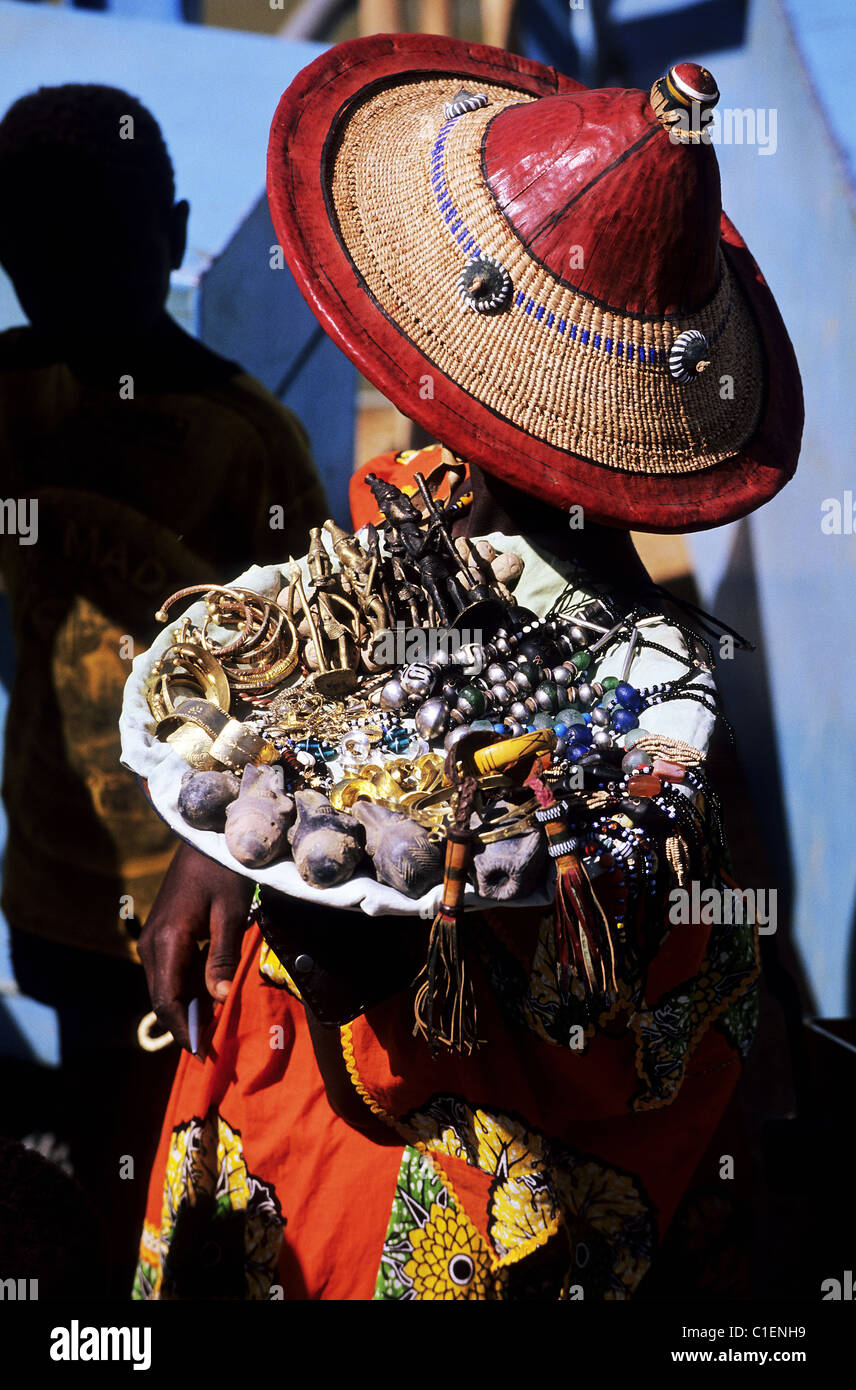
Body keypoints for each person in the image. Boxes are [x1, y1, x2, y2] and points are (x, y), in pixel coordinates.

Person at [132, 37, 802, 1300]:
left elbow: (434, 1001)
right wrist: (218, 838)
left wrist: (359, 943)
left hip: (424, 1217)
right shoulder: (408, 524)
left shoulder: (625, 769)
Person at [0, 83, 327, 1288]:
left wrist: (234, 864)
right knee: (105, 1167)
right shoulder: (12, 401)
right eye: (38, 257)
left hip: (204, 902)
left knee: (201, 1169)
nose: (72, 284)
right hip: (54, 884)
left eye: (104, 250)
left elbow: (318, 687)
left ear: (178, 236)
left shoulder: (250, 445)